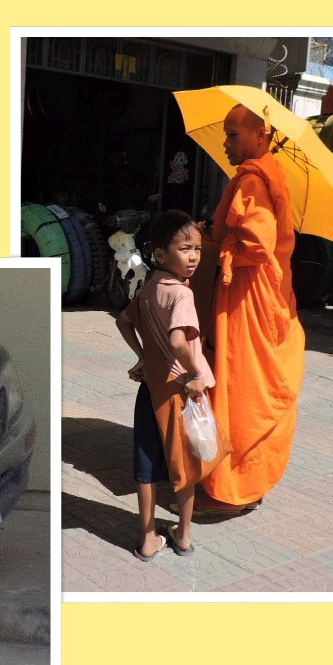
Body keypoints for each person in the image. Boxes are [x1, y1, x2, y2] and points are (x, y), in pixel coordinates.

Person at [195, 104, 305, 512]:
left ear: (261, 136)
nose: (225, 143)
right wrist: (216, 234)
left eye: (233, 135)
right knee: (244, 384)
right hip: (255, 290)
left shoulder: (254, 181)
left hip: (247, 294)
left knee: (240, 388)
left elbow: (257, 246)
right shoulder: (261, 175)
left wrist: (219, 249)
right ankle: (244, 480)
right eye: (226, 134)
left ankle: (236, 484)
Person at [116, 210, 219, 560]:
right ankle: (183, 535)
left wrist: (143, 356)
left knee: (146, 466)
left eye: (198, 249)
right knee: (185, 465)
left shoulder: (150, 288)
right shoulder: (181, 295)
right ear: (160, 254)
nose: (193, 257)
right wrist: (195, 373)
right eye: (185, 249)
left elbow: (123, 321)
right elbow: (178, 341)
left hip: (151, 390)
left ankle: (148, 538)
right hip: (180, 393)